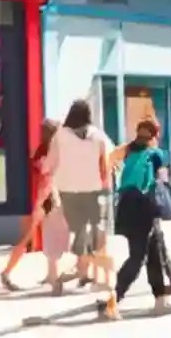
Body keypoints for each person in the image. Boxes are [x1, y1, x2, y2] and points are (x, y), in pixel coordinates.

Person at [99, 120, 171, 320]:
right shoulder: (155, 154)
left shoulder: (128, 150)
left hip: (126, 204)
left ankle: (160, 299)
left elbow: (110, 159)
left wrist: (115, 174)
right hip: (144, 206)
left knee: (153, 251)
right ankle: (114, 297)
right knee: (138, 256)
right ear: (154, 136)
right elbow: (162, 180)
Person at [45, 99, 111, 295]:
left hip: (67, 191)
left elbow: (50, 165)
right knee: (90, 233)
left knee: (80, 230)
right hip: (93, 190)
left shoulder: (60, 136)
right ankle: (79, 270)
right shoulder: (98, 136)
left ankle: (76, 271)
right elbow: (105, 166)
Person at [0, 119, 61, 291]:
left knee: (45, 238)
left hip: (42, 199)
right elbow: (46, 180)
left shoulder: (41, 152)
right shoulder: (49, 154)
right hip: (44, 200)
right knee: (30, 239)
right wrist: (42, 203)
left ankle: (52, 275)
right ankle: (6, 272)